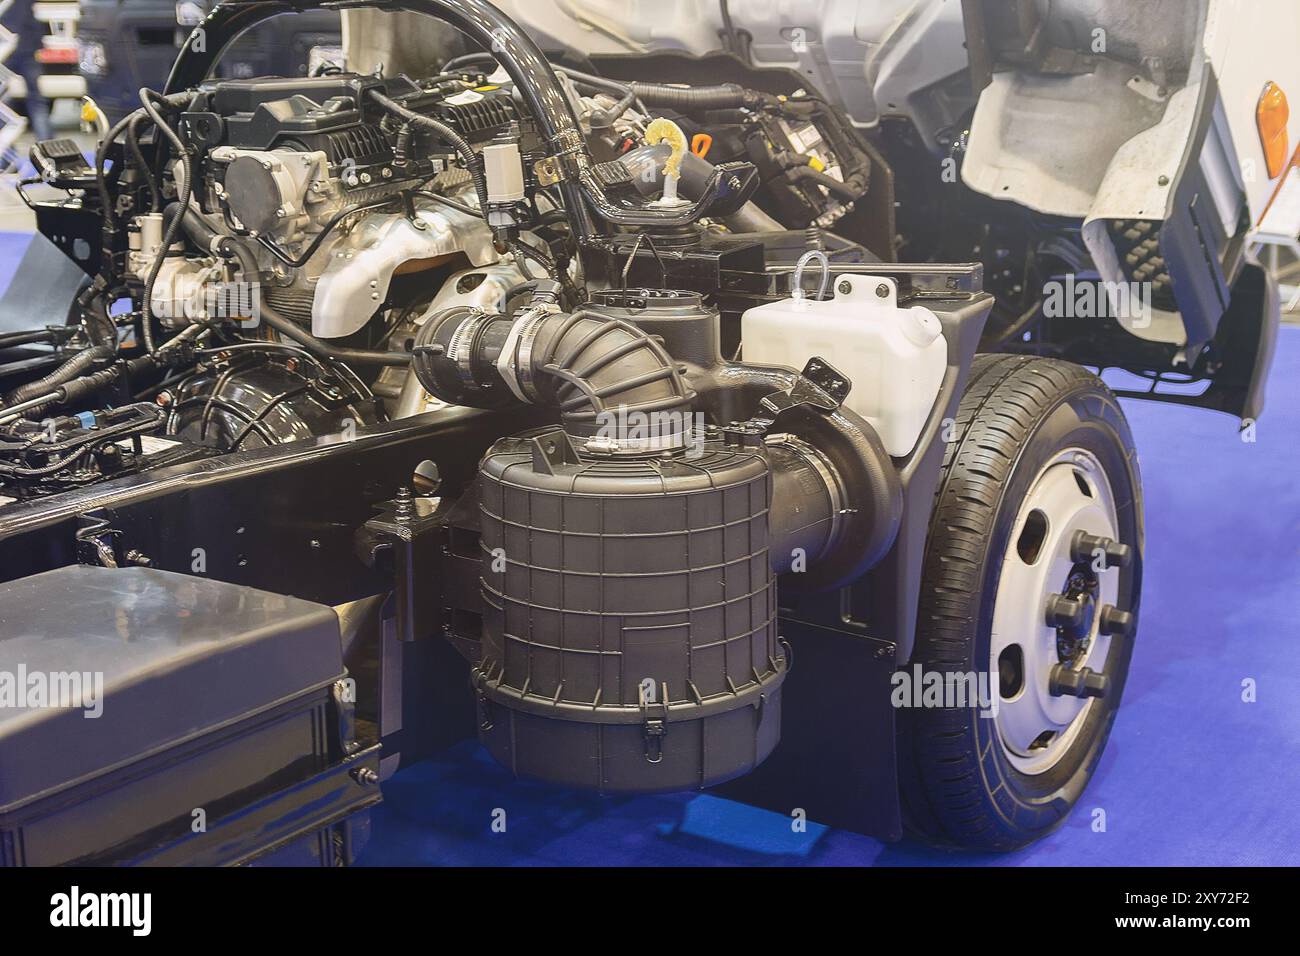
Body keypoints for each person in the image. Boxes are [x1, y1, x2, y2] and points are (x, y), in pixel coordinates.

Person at [3, 0, 53, 142]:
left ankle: (5, 146)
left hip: (7, 50)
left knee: (4, 101)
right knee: (36, 100)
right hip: (27, 47)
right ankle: (46, 142)